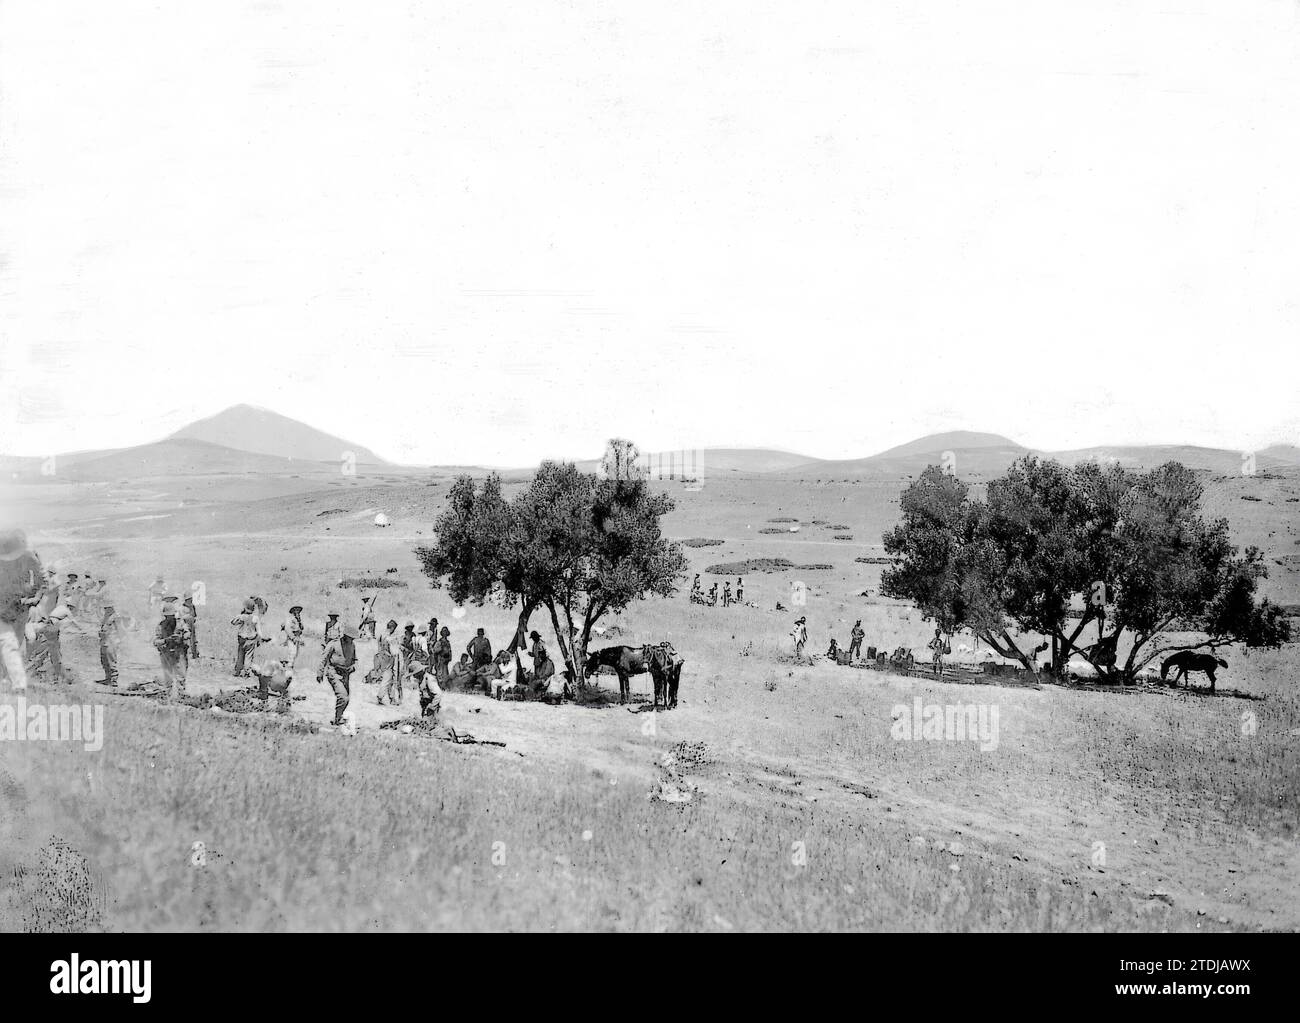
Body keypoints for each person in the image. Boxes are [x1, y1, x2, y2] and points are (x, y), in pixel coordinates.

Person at [0, 529, 43, 692]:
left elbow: (42, 580)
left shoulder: (30, 555)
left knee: (15, 641)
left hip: (19, 604)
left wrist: (34, 598)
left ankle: (9, 678)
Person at [318, 623, 359, 726]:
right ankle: (337, 719)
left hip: (346, 674)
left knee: (346, 698)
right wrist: (320, 672)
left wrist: (353, 667)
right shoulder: (334, 644)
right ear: (345, 636)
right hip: (334, 672)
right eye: (350, 638)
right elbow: (324, 657)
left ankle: (337, 718)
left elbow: (355, 660)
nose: (352, 640)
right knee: (343, 697)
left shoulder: (352, 645)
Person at [154, 599, 191, 694]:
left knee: (181, 675)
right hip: (166, 653)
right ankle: (167, 694)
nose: (170, 618)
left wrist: (181, 637)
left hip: (178, 652)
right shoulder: (160, 626)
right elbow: (155, 641)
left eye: (172, 615)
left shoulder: (180, 623)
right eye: (168, 616)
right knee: (167, 676)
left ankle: (182, 694)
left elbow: (188, 634)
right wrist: (166, 640)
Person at [28, 606, 69, 683]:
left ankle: (59, 678)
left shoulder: (46, 628)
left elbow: (39, 633)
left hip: (49, 645)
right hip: (53, 645)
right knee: (55, 662)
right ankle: (60, 677)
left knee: (40, 659)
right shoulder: (55, 628)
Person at [230, 599, 260, 677]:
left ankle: (237, 671)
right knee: (248, 656)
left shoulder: (241, 617)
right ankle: (246, 672)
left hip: (242, 639)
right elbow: (258, 630)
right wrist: (259, 640)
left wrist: (239, 616)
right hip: (251, 639)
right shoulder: (255, 618)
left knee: (240, 655)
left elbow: (233, 622)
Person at [98, 600, 121, 687]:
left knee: (111, 660)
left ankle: (114, 680)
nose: (106, 609)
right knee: (104, 660)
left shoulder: (115, 617)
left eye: (107, 608)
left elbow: (120, 629)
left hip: (112, 640)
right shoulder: (106, 616)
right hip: (104, 640)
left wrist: (118, 640)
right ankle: (108, 678)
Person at [182, 594, 199, 659]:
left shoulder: (192, 606)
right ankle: (188, 653)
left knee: (193, 639)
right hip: (186, 625)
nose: (191, 600)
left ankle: (194, 653)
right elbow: (181, 617)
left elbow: (195, 615)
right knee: (187, 639)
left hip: (192, 623)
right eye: (189, 599)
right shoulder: (183, 607)